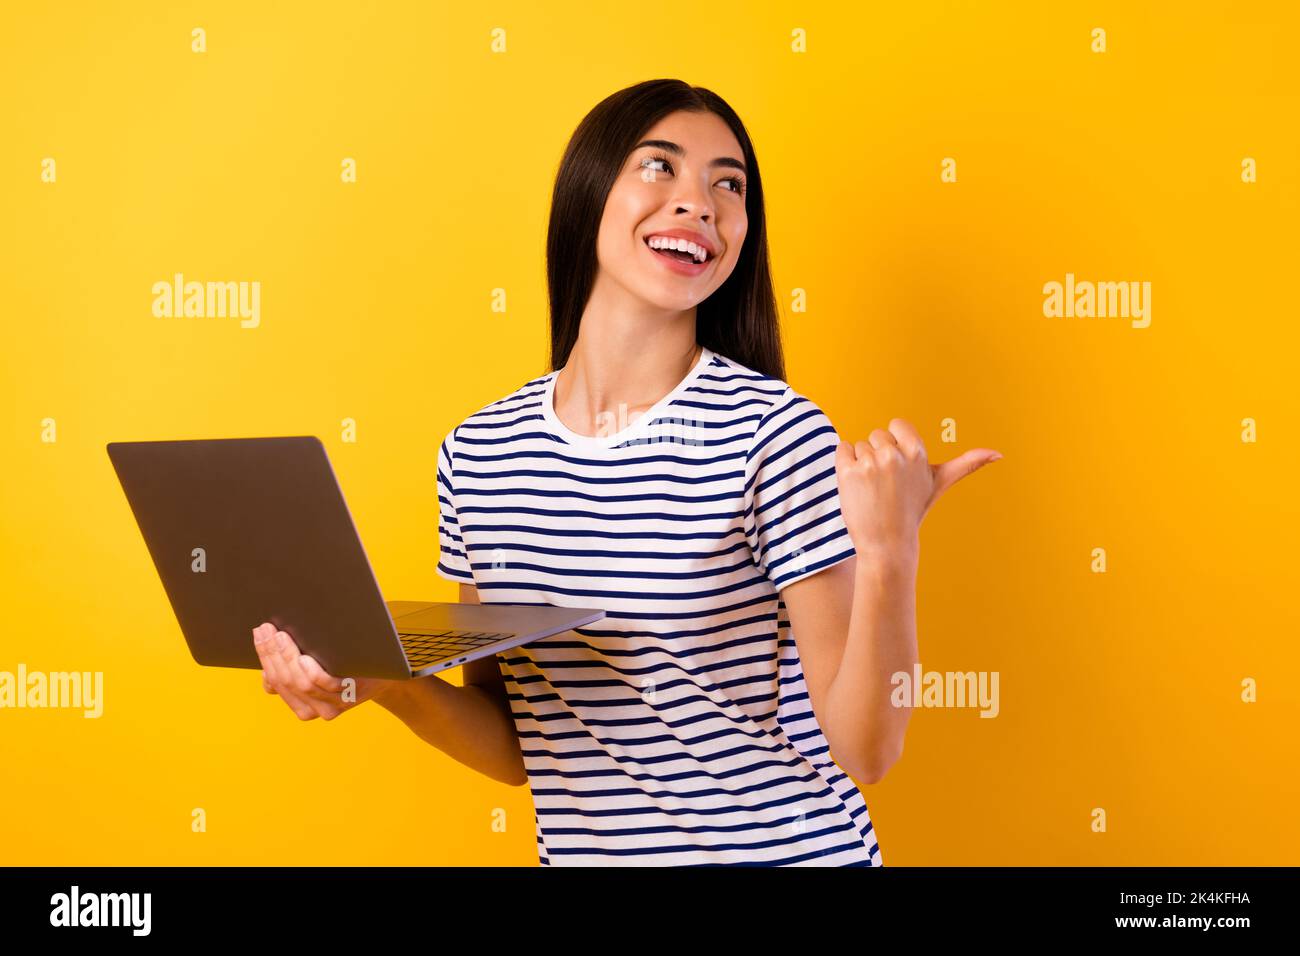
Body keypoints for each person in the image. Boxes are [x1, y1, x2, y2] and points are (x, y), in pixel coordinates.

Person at [254, 78, 1001, 866]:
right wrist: (383, 681)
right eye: (660, 166)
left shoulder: (773, 433)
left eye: (729, 185)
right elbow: (518, 745)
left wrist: (890, 552)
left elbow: (867, 750)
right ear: (589, 192)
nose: (701, 202)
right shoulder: (477, 452)